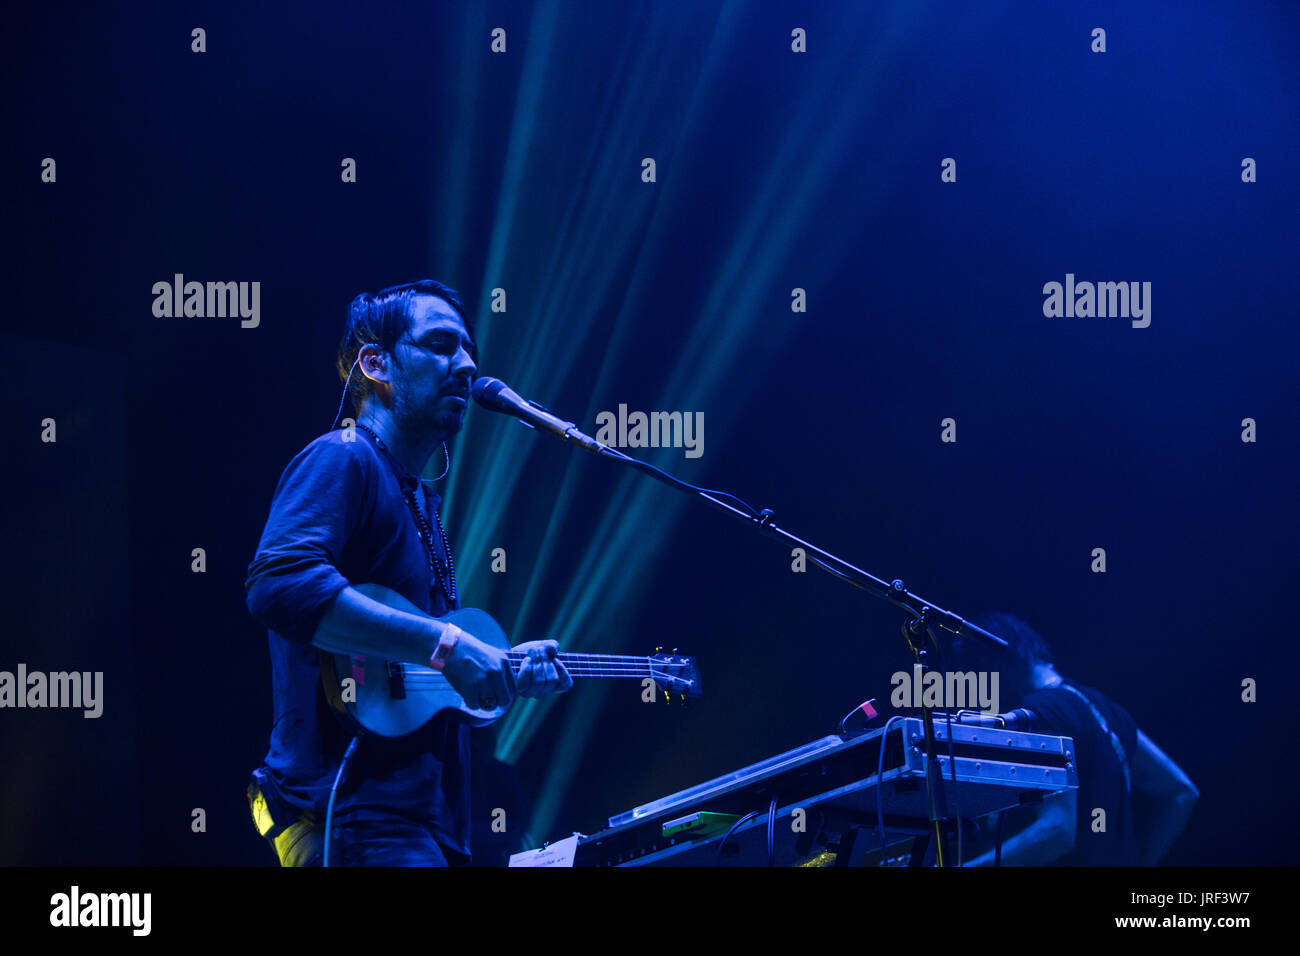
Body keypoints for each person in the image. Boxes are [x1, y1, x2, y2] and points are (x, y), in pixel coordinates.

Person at [243, 279, 572, 867]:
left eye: (469, 348)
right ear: (376, 363)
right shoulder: (342, 457)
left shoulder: (419, 498)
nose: (467, 364)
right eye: (442, 344)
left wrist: (499, 667)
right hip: (352, 813)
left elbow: (409, 670)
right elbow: (279, 584)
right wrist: (448, 643)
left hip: (419, 823)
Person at [952, 612, 1198, 866]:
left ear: (1002, 659)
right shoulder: (1107, 709)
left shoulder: (1037, 713)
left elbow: (1058, 832)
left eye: (978, 670)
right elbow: (1182, 792)